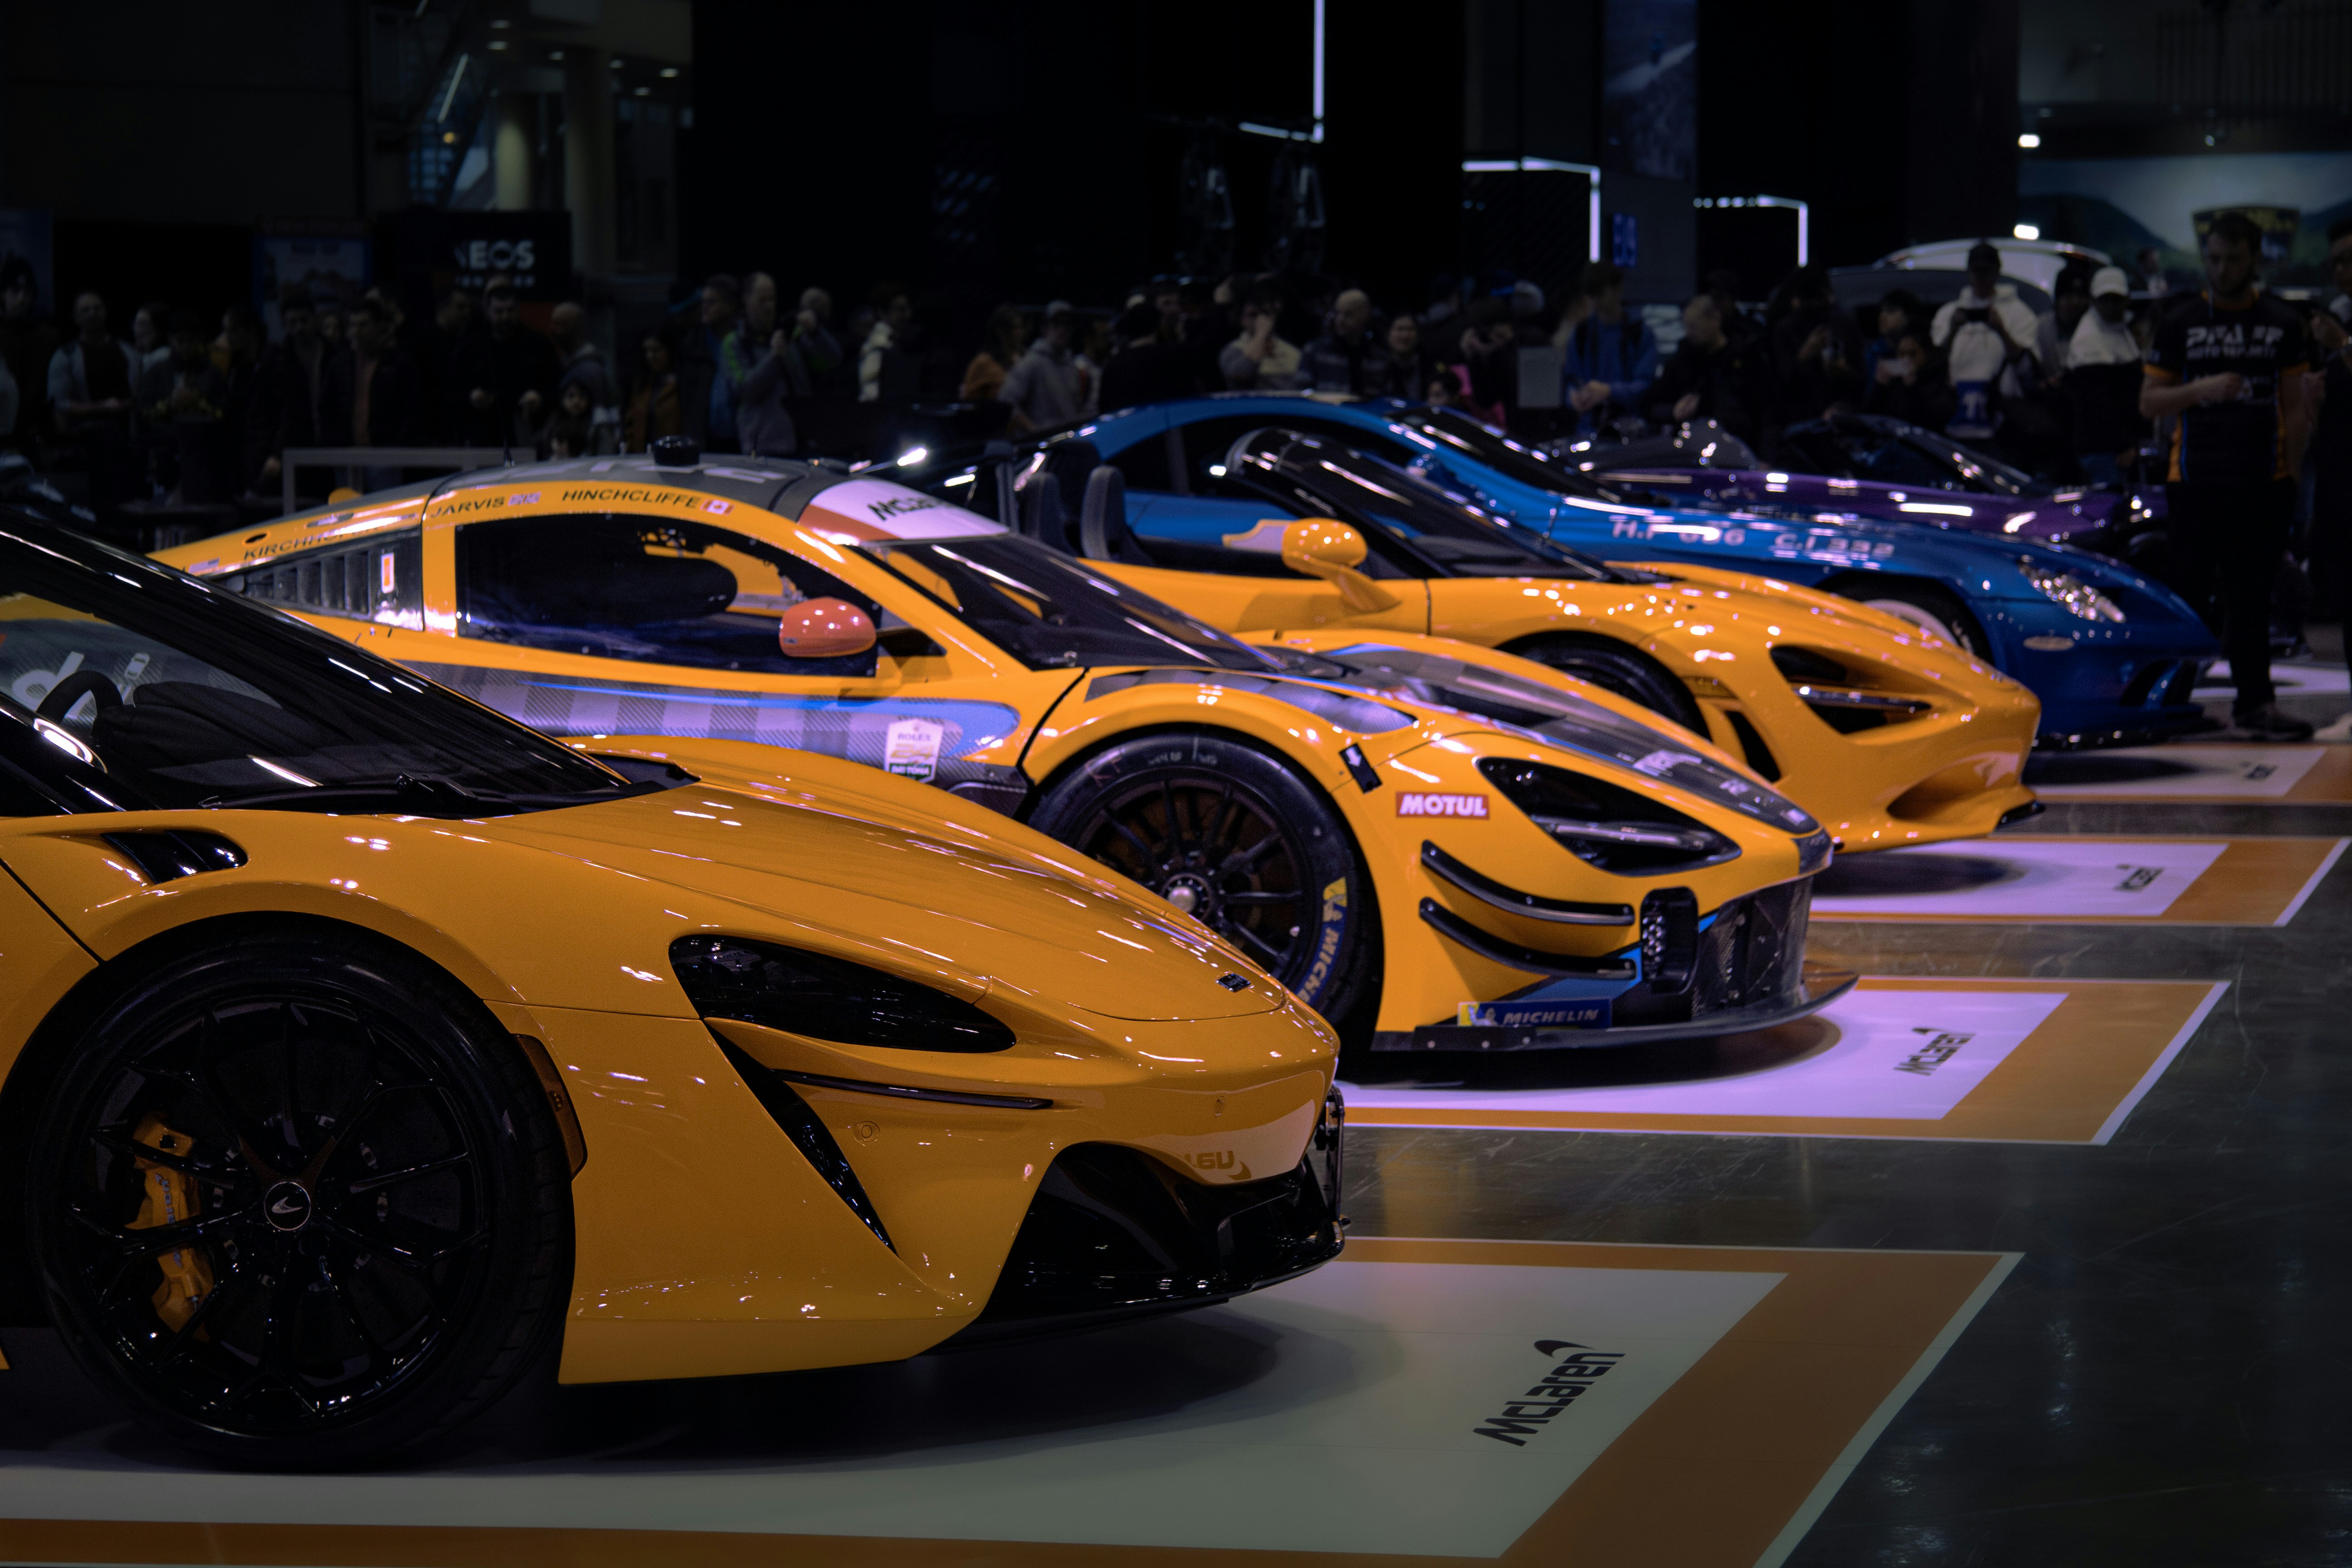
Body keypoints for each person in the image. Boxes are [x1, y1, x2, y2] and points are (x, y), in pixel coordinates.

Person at [2140, 211, 2313, 740]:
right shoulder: (2179, 322)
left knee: (2252, 600)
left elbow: (2298, 408)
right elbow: (2149, 402)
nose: (2220, 268)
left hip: (2263, 482)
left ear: (2256, 260)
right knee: (2186, 597)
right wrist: (2202, 389)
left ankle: (2255, 704)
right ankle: (2168, 702)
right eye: (2213, 258)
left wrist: (2291, 479)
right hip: (2194, 480)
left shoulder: (2285, 323)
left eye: (2232, 259)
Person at [1930, 242, 2038, 441]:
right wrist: (1953, 330)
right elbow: (1932, 366)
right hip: (1955, 414)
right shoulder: (1948, 314)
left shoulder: (2020, 314)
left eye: (1986, 272)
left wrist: (2002, 330)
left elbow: (2029, 371)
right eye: (1976, 272)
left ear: (1997, 272)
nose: (1981, 279)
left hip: (2002, 420)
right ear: (1969, 272)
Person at [2302, 218, 2352, 623]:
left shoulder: (2340, 332)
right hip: (2338, 479)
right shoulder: (2340, 315)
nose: (2341, 271)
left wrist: (2346, 346)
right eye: (2335, 263)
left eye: (2349, 261)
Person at [322, 293, 423, 489]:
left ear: (379, 327)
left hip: (386, 456)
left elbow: (413, 407)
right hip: (347, 455)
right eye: (353, 326)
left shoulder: (399, 363)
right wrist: (334, 442)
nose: (357, 332)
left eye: (363, 325)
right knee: (347, 514)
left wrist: (399, 445)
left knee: (385, 513)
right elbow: (327, 405)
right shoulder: (341, 363)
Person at [1644, 292, 1769, 443]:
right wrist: (1673, 412)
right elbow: (1652, 406)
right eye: (1687, 327)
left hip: (1739, 444)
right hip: (1689, 445)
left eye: (1694, 326)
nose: (1690, 333)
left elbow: (1765, 413)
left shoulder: (1746, 359)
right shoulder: (1682, 360)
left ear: (1716, 320)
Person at [134, 309, 231, 501]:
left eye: (191, 341)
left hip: (205, 458)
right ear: (171, 340)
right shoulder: (158, 373)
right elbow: (142, 415)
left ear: (200, 340)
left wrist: (197, 403)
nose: (186, 347)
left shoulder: (212, 374)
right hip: (164, 456)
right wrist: (170, 404)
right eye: (181, 341)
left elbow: (225, 415)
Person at [451, 281, 561, 448]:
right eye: (499, 312)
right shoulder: (470, 348)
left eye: (510, 311)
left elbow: (557, 388)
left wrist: (540, 399)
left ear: (518, 310)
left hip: (526, 433)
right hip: (481, 436)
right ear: (487, 312)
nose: (505, 317)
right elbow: (451, 392)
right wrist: (471, 399)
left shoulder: (538, 346)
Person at [2065, 266, 2147, 487]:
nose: (2111, 306)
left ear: (2127, 300)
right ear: (2093, 301)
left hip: (2115, 446)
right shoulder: (2090, 341)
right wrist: (2123, 444)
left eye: (2116, 299)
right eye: (2105, 300)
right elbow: (2097, 405)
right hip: (2104, 450)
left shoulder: (2118, 330)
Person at [1561, 262, 1657, 435]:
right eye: (1592, 296)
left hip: (1630, 431)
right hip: (1587, 430)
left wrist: (1609, 391)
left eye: (1601, 293)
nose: (1596, 301)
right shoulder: (1581, 333)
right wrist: (1573, 397)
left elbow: (1646, 385)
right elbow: (1571, 379)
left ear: (1618, 289)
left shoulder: (1640, 333)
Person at [250, 292, 332, 494]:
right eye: (292, 322)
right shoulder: (279, 361)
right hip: (294, 445)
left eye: (304, 321)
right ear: (284, 324)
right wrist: (275, 452)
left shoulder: (332, 354)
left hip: (328, 442)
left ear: (315, 319)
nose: (299, 328)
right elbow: (273, 412)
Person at [1770, 265, 1863, 426]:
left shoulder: (1843, 324)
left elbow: (1861, 382)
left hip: (1838, 417)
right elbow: (1778, 384)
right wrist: (1806, 354)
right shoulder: (1787, 329)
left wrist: (1843, 370)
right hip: (1800, 419)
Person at [674, 273, 744, 448]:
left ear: (730, 306)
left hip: (742, 439)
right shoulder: (691, 346)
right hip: (705, 441)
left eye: (712, 302)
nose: (704, 308)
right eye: (703, 302)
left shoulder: (745, 343)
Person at [1001, 301, 1092, 431]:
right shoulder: (1032, 362)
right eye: (1057, 323)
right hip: (1041, 444)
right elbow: (1006, 401)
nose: (1063, 329)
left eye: (1067, 324)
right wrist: (1033, 431)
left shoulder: (1071, 365)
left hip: (1067, 440)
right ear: (1045, 327)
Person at [0, 256, 61, 446]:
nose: (22, 298)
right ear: (3, 294)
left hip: (36, 436)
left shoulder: (48, 337)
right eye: (15, 291)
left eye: (27, 291)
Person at [1097, 303, 1192, 412]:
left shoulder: (1113, 364)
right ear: (1157, 326)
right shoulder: (1171, 356)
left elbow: (1105, 407)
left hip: (1128, 427)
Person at [1862, 331, 1955, 431]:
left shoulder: (1938, 380)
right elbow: (1870, 417)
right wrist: (1880, 386)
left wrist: (1913, 386)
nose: (1906, 359)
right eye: (1901, 354)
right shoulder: (1894, 381)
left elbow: (1935, 420)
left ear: (1926, 354)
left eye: (1912, 354)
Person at [1219, 290, 1303, 391]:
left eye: (1266, 314)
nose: (1261, 320)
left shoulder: (1291, 351)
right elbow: (1240, 375)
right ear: (1241, 319)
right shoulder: (1233, 350)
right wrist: (1261, 334)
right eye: (1253, 315)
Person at [1302, 288, 1374, 394]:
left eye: (1348, 314)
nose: (1340, 319)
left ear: (1365, 315)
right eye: (1338, 313)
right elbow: (1301, 393)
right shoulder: (1315, 352)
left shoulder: (1378, 358)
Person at [624, 330, 681, 451]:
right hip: (642, 455)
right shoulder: (644, 385)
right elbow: (632, 423)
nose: (650, 356)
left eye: (656, 351)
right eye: (647, 352)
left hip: (672, 454)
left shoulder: (681, 385)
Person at [858, 283, 915, 403]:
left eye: (908, 308)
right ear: (882, 312)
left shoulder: (894, 341)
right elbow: (870, 393)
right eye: (901, 310)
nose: (908, 315)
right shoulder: (879, 346)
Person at [2035, 265, 2094, 382]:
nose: (2075, 302)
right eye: (2069, 296)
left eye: (2080, 296)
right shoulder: (2042, 326)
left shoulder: (2092, 328)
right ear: (2058, 299)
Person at [1862, 289, 1927, 391]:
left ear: (1909, 317)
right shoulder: (1871, 356)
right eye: (1882, 311)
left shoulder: (1923, 353)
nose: (1882, 317)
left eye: (1891, 311)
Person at [960, 305, 1027, 403]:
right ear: (1001, 331)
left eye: (1020, 327)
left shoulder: (1021, 360)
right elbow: (968, 401)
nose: (1019, 333)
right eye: (1015, 328)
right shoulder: (984, 363)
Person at [1365, 312, 1431, 400]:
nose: (1405, 336)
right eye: (1400, 329)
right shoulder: (1375, 367)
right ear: (1388, 334)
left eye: (1410, 329)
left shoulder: (1429, 366)